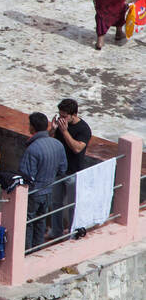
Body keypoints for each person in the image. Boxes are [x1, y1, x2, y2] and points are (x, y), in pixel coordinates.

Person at [18, 112, 67, 251]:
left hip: (34, 192)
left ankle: (26, 251)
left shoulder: (32, 149)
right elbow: (62, 169)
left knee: (28, 222)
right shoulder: (58, 145)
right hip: (49, 190)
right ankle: (38, 248)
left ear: (32, 128)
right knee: (41, 221)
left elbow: (26, 175)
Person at [51, 99, 92, 238]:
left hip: (73, 173)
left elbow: (77, 148)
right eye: (60, 115)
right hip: (59, 170)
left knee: (72, 205)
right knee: (55, 203)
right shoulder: (61, 126)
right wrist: (53, 129)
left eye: (64, 116)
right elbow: (52, 140)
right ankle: (55, 231)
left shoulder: (84, 129)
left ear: (73, 115)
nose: (61, 119)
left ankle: (72, 233)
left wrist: (64, 131)